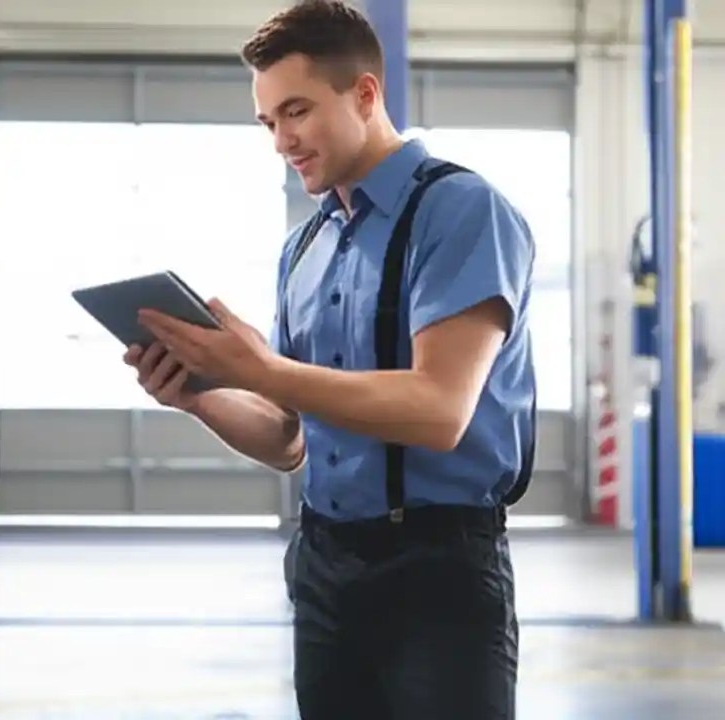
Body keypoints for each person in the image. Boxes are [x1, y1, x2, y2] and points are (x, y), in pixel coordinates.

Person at [124, 1, 535, 718]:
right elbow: (290, 440)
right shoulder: (303, 249)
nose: (281, 140)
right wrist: (200, 395)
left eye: (297, 111)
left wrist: (259, 368)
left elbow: (439, 410)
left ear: (365, 94)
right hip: (324, 569)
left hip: (439, 571)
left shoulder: (462, 212)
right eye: (268, 122)